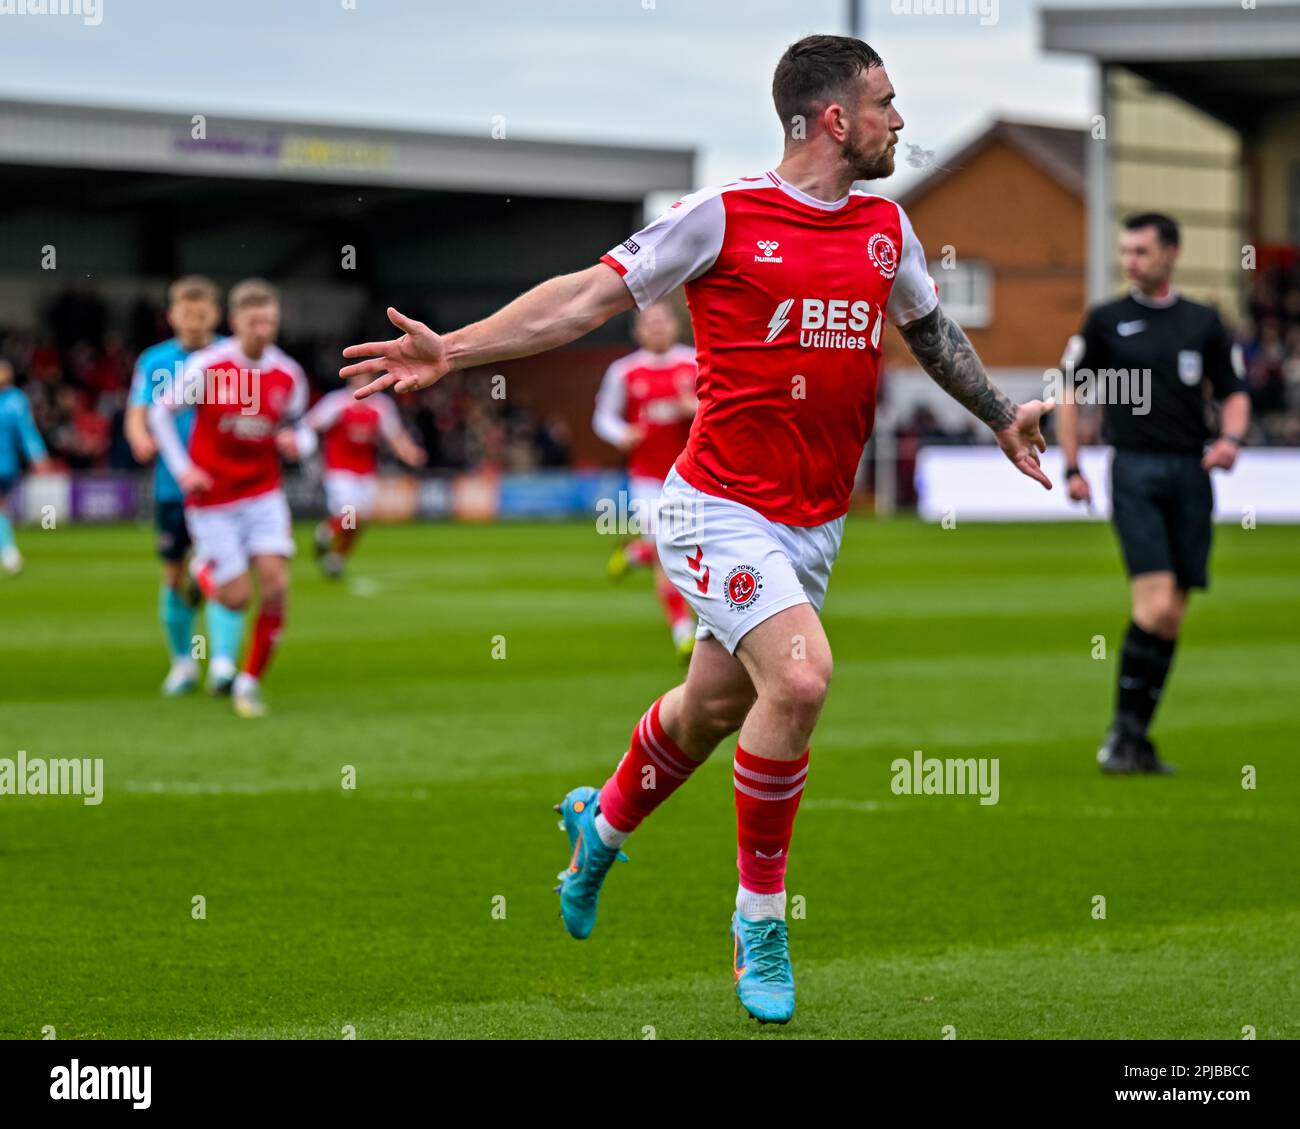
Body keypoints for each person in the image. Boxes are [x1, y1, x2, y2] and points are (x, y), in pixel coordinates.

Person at [340, 35, 1052, 1025]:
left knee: (710, 707)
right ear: (836, 119)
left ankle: (600, 824)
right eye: (886, 103)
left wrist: (998, 414)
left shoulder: (887, 228)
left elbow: (928, 330)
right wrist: (452, 351)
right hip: (715, 506)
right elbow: (586, 299)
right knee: (799, 678)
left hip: (812, 528)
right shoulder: (720, 217)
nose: (900, 121)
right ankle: (758, 923)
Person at [1056, 213, 1250, 775]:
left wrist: (1232, 439)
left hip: (1191, 474)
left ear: (1170, 253)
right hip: (1134, 471)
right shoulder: (1107, 320)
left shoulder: (1203, 320)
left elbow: (1234, 391)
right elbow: (1070, 389)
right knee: (1156, 604)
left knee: (1174, 615)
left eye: (1141, 251)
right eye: (1125, 251)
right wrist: (1072, 464)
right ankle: (1120, 736)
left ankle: (1135, 740)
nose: (1130, 261)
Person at [150, 279, 315, 719]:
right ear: (236, 321)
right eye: (255, 321)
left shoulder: (289, 374)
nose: (264, 329)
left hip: (263, 494)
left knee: (277, 587)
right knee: (237, 597)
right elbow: (160, 413)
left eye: (271, 321)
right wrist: (183, 468)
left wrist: (300, 443)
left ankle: (249, 681)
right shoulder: (210, 366)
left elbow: (302, 426)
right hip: (214, 499)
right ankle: (202, 567)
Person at [124, 276, 230, 695]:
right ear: (172, 316)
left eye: (201, 313)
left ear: (216, 315)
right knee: (174, 574)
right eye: (186, 313)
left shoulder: (231, 356)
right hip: (172, 484)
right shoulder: (154, 361)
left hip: (220, 483)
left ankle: (221, 663)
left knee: (223, 570)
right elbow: (138, 410)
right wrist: (139, 438)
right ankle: (183, 664)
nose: (193, 321)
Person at [592, 299, 699, 660]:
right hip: (647, 478)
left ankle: (636, 552)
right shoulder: (623, 371)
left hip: (693, 475)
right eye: (648, 322)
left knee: (683, 544)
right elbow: (603, 416)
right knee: (670, 547)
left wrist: (695, 408)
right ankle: (683, 630)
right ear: (638, 330)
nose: (655, 327)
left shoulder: (696, 363)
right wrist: (620, 433)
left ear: (675, 325)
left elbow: (722, 406)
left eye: (661, 321)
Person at [306, 374, 426, 578]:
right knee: (349, 513)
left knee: (358, 521)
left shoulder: (381, 405)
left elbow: (394, 435)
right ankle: (325, 532)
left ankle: (337, 558)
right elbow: (311, 424)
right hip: (339, 469)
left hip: (366, 470)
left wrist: (409, 452)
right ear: (351, 381)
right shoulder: (336, 402)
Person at [0, 358, 52, 576]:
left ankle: (7, 549)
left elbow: (27, 432)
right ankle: (7, 550)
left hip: (5, 464)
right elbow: (28, 432)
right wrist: (39, 456)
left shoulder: (15, 401)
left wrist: (38, 457)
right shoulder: (16, 400)